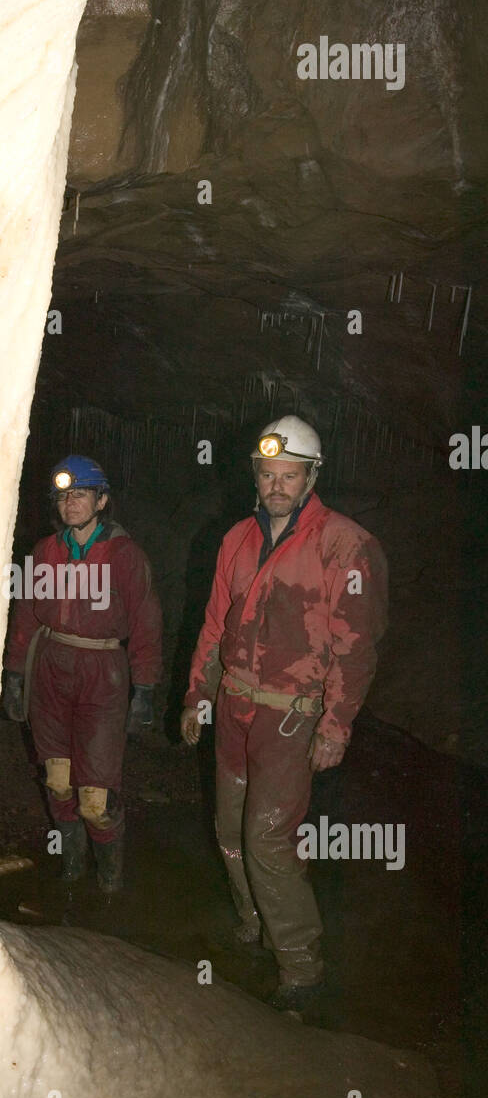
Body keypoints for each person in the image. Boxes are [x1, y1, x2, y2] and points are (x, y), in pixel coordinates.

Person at [180, 416, 388, 1011]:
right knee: (229, 830)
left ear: (311, 476)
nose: (276, 485)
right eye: (267, 474)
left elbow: (355, 645)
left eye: (288, 475)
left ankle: (301, 967)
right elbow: (215, 625)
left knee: (267, 838)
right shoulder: (237, 540)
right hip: (236, 704)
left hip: (291, 717)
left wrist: (336, 725)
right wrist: (198, 693)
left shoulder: (344, 545)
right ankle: (256, 925)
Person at [3, 455, 162, 898]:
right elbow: (27, 617)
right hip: (50, 668)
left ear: (102, 500)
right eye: (64, 495)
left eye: (81, 494)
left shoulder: (124, 555)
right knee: (57, 777)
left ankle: (110, 878)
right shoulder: (45, 552)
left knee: (95, 796)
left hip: (102, 673)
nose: (71, 503)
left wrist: (144, 688)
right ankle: (73, 864)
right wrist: (15, 676)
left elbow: (146, 621)